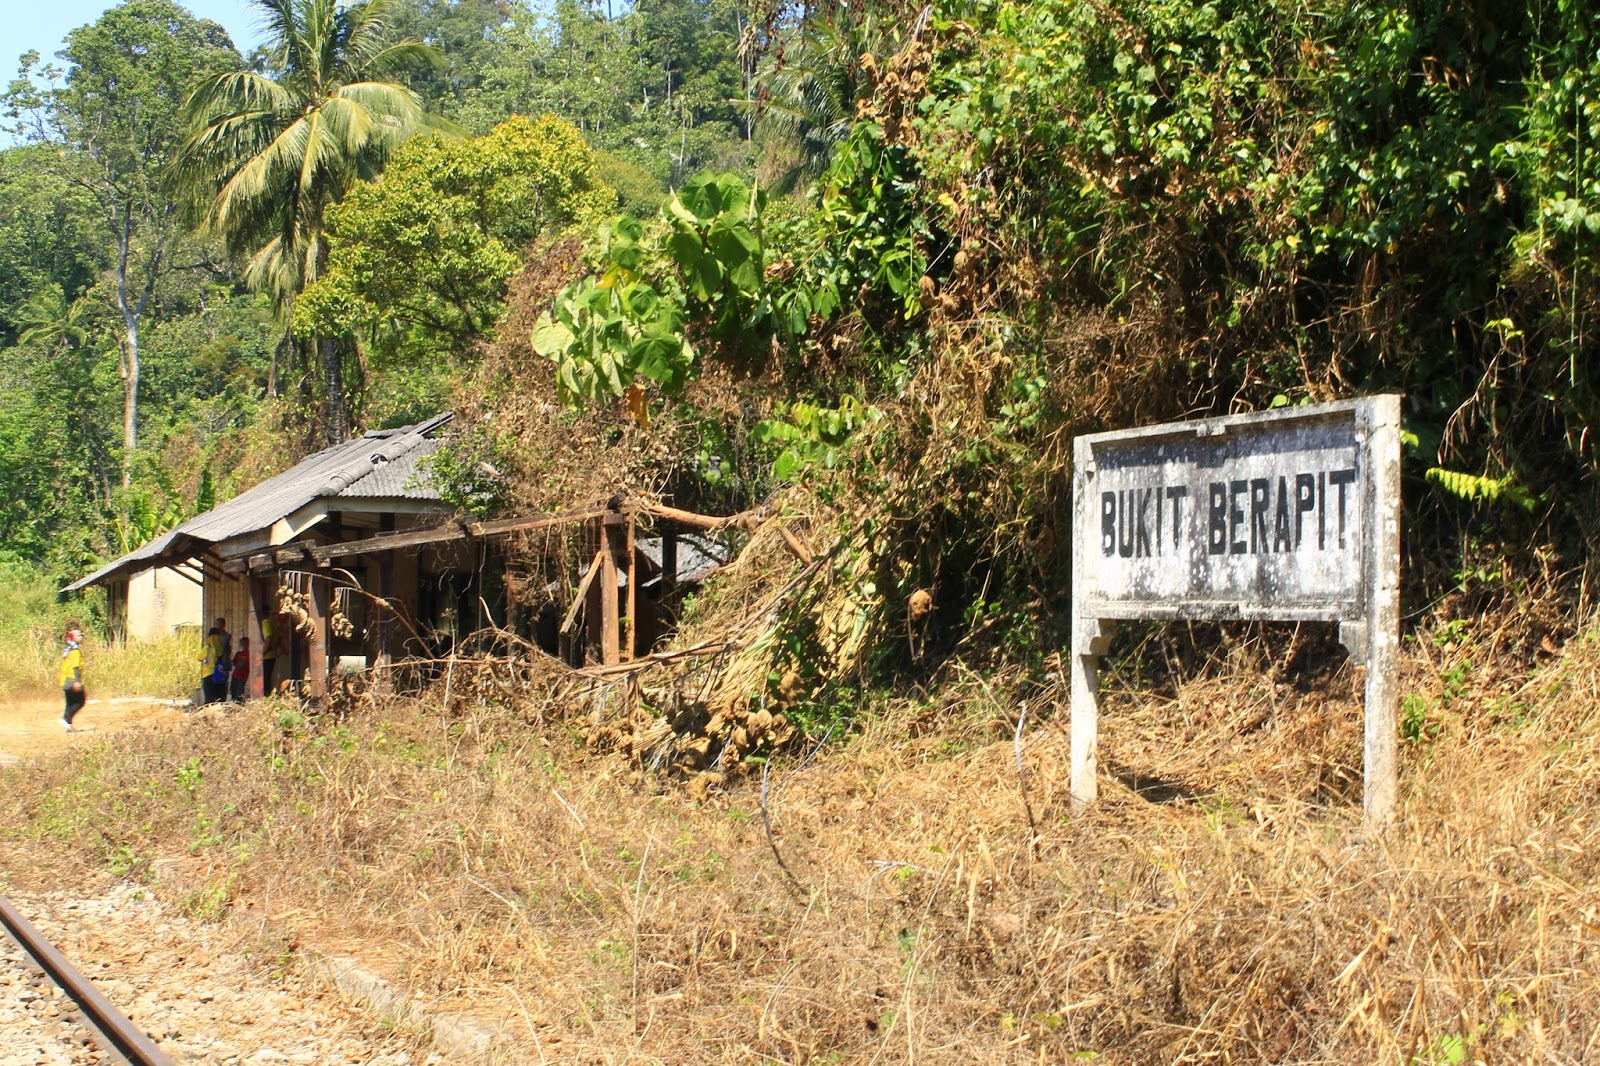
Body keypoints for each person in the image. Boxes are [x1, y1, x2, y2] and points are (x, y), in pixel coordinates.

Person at [59, 623, 85, 731]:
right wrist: (76, 681)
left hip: (65, 679)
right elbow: (75, 667)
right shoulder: (74, 651)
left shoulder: (69, 649)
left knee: (70, 703)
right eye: (78, 635)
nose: (81, 636)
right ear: (73, 638)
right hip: (71, 679)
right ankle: (65, 719)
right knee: (80, 701)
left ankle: (68, 724)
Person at [200, 625, 228, 704]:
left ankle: (208, 714)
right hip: (219, 675)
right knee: (219, 698)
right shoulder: (222, 647)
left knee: (209, 698)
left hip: (208, 675)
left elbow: (199, 658)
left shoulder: (207, 647)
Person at [230, 637, 250, 702]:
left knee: (240, 692)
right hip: (235, 675)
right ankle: (233, 703)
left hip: (243, 676)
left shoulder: (249, 654)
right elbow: (234, 662)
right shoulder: (238, 653)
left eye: (245, 643)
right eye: (242, 643)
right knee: (233, 690)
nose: (244, 645)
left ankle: (240, 705)